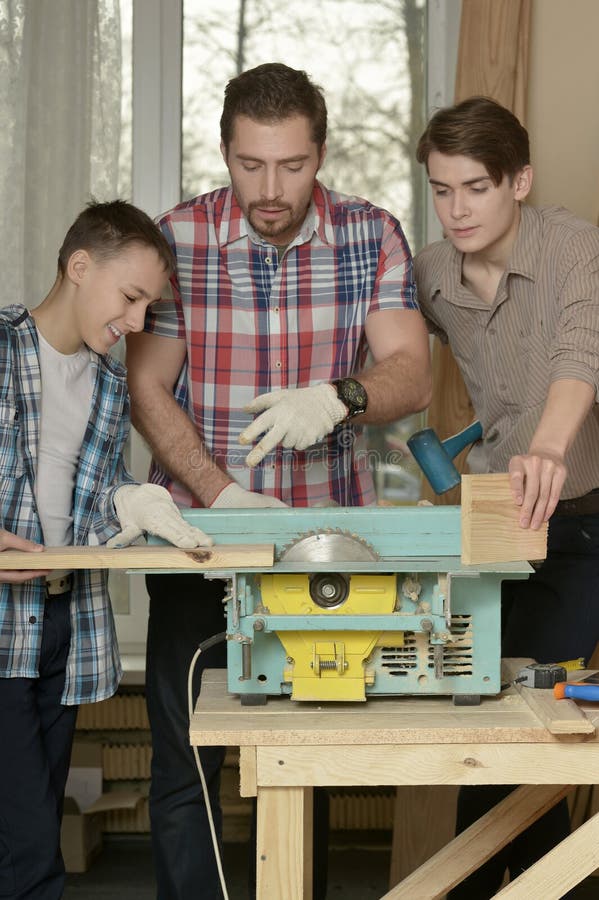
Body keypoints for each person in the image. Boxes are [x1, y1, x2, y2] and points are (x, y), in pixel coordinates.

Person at [126, 61, 432, 900]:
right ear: (224, 150)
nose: (270, 187)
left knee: (304, 762)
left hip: (321, 551)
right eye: (250, 164)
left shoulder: (373, 234)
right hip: (198, 543)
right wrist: (218, 493)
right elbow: (148, 385)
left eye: (292, 166)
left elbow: (412, 370)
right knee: (187, 758)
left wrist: (341, 395)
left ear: (320, 154)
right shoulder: (176, 240)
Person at [0, 200, 212, 900]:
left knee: (31, 831)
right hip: (2, 628)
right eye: (130, 297)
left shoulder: (109, 385)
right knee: (30, 852)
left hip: (61, 627)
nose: (137, 323)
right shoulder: (1, 350)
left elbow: (88, 503)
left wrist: (131, 501)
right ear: (78, 266)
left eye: (149, 305)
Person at [415, 95, 599, 898]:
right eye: (441, 190)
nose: (457, 210)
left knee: (544, 729)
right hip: (504, 527)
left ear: (518, 181)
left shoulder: (576, 248)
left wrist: (548, 449)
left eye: (476, 188)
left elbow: (578, 351)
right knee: (493, 728)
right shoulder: (428, 276)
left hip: (587, 515)